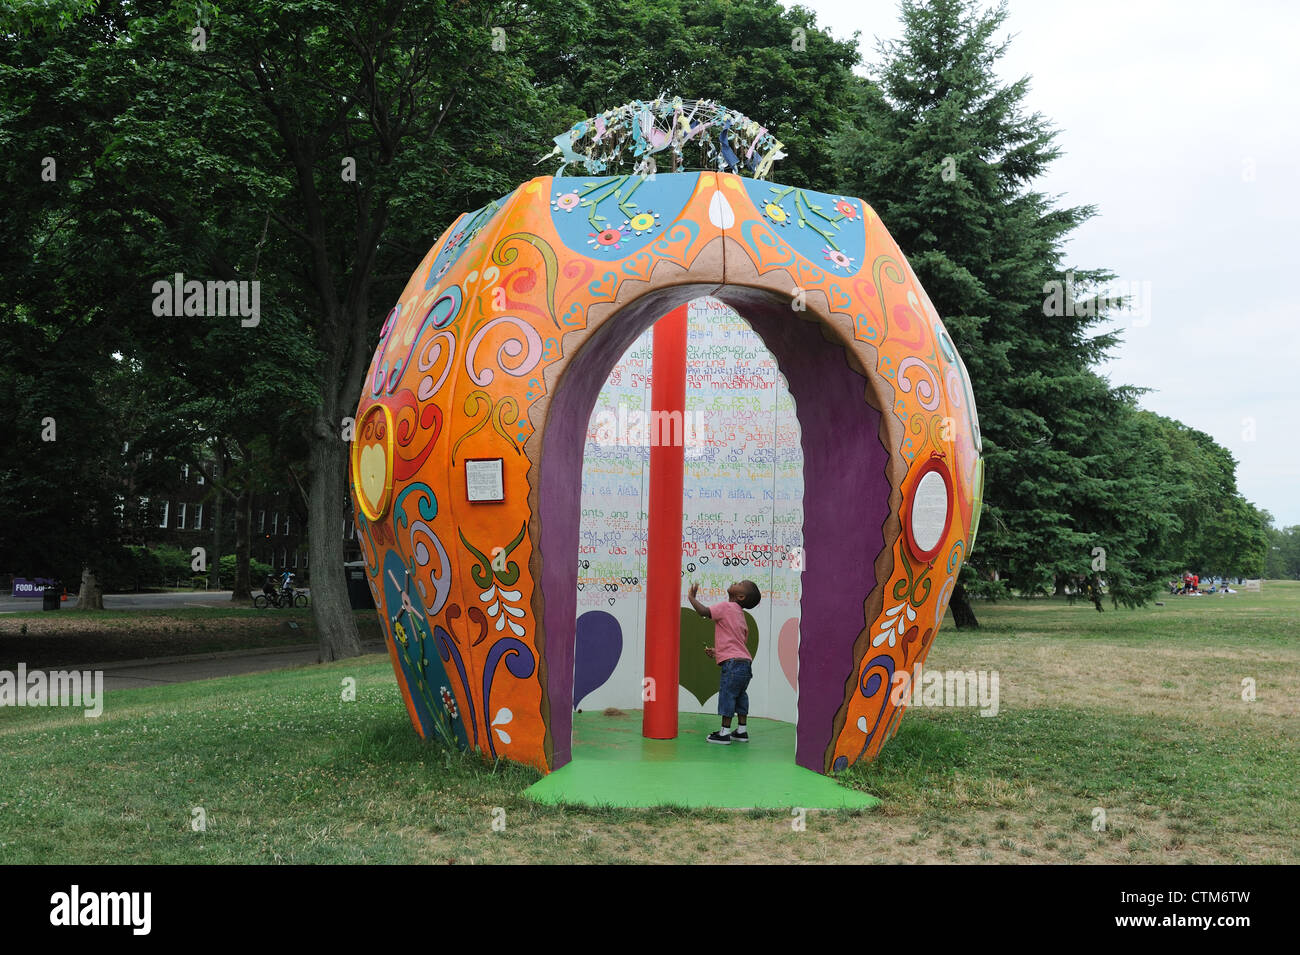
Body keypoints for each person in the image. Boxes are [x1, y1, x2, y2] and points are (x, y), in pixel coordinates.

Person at [686, 579, 761, 744]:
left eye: (740, 583)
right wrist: (718, 651)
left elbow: (704, 612)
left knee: (727, 695)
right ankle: (741, 731)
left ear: (740, 596)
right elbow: (737, 643)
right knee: (741, 696)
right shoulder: (741, 616)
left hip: (733, 664)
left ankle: (724, 733)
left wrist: (692, 598)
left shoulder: (726, 607)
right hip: (745, 663)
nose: (735, 582)